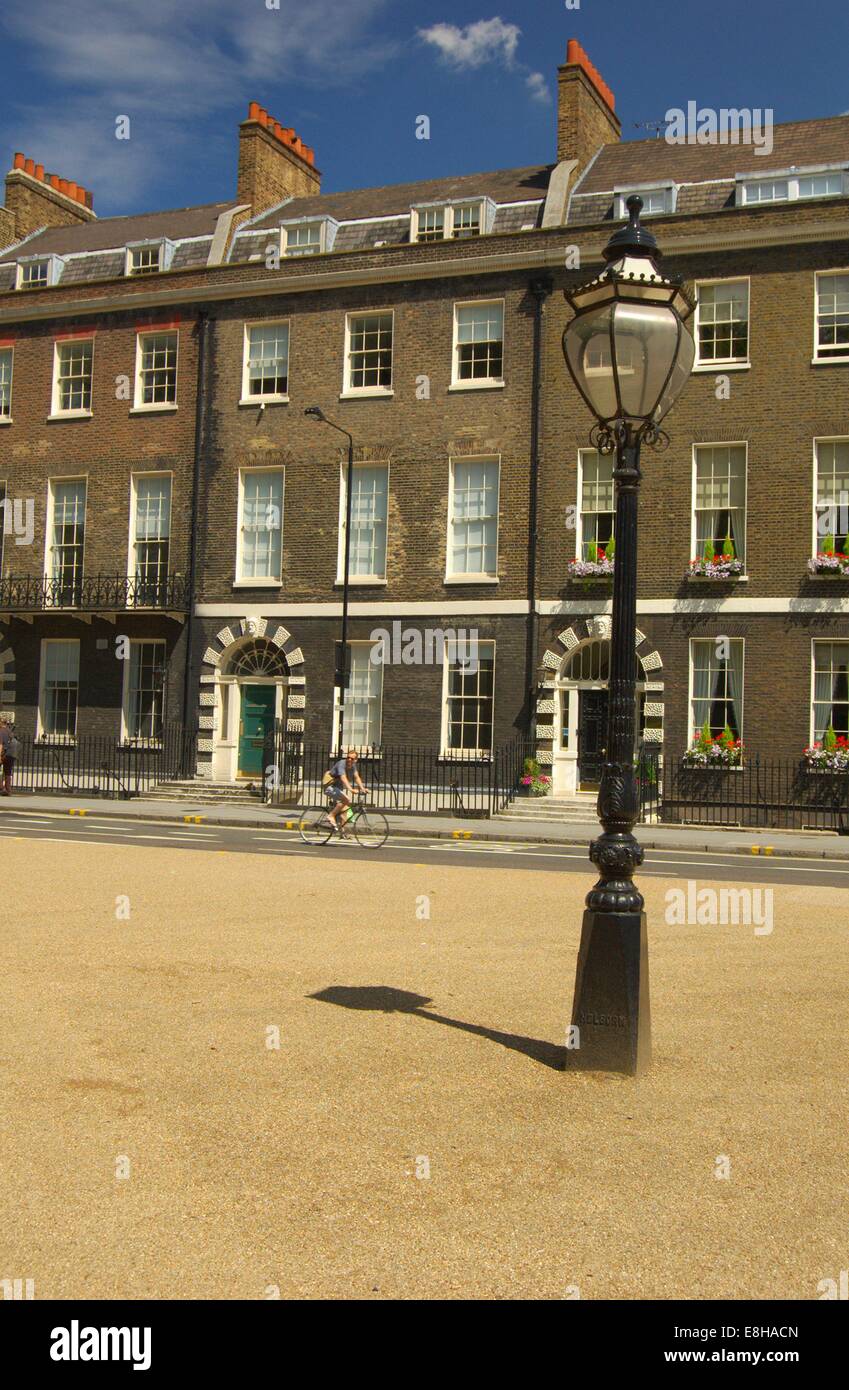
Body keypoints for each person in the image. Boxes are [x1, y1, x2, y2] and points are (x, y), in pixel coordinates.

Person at [326, 749, 366, 833]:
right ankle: (331, 816)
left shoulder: (353, 765)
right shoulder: (341, 763)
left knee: (346, 810)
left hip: (338, 787)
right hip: (330, 787)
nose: (349, 760)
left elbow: (357, 777)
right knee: (346, 799)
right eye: (348, 757)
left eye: (352, 758)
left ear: (355, 760)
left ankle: (342, 832)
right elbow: (343, 777)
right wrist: (351, 789)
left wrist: (362, 788)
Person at [0, 718, 13, 795]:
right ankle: (8, 790)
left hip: (3, 754)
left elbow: (0, 744)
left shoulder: (1, 731)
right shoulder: (9, 731)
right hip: (10, 754)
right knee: (8, 772)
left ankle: (1, 788)